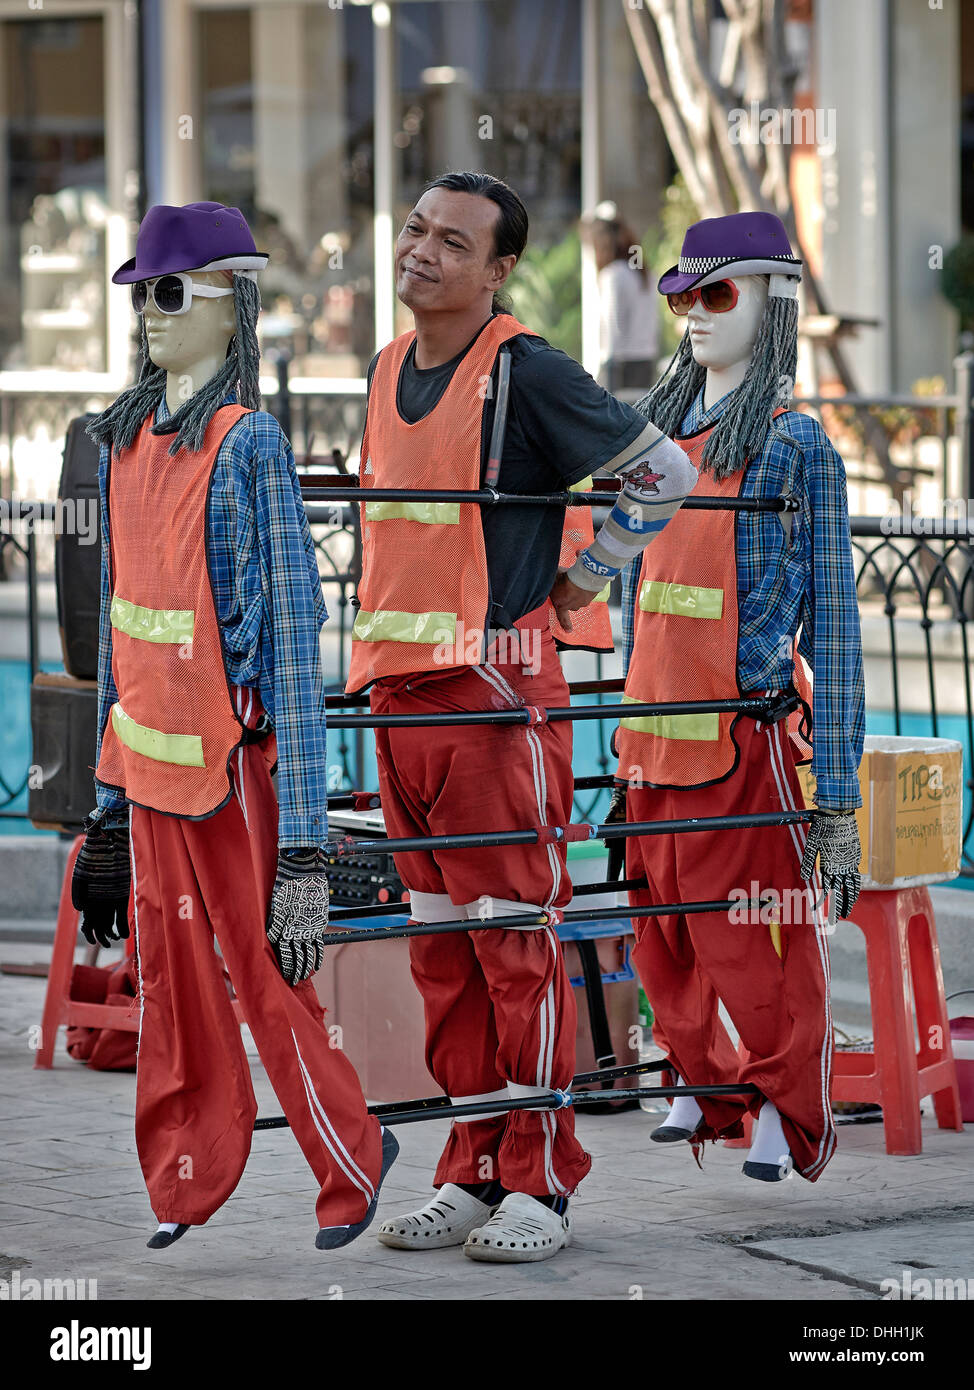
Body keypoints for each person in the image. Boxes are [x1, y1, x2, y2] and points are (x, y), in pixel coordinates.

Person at [347, 170, 697, 1264]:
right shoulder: (384, 367)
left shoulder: (524, 371)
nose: (421, 251)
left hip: (494, 707)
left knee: (512, 953)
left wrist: (587, 579)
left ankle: (540, 1181)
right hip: (398, 704)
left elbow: (662, 470)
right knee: (442, 958)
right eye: (415, 230)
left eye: (453, 242)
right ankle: (469, 1167)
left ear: (498, 271)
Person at [75, 201, 397, 1251]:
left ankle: (351, 1159)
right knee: (170, 991)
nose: (150, 314)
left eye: (171, 292)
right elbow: (127, 638)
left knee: (270, 977)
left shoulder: (247, 442)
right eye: (141, 294)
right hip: (155, 778)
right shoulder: (121, 443)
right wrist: (107, 809)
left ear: (231, 305)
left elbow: (294, 646)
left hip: (234, 774)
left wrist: (302, 843)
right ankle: (181, 1183)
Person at [616, 211, 864, 1183]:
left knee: (751, 939)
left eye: (714, 293)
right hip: (644, 738)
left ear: (771, 305)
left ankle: (778, 1104)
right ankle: (699, 1079)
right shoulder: (653, 444)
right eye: (679, 293)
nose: (689, 314)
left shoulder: (799, 447)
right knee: (661, 937)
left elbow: (835, 631)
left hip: (739, 738)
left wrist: (833, 797)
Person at [584, 202, 659, 394]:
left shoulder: (613, 275)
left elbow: (613, 324)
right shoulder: (643, 273)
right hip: (646, 358)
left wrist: (608, 365)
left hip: (620, 364)